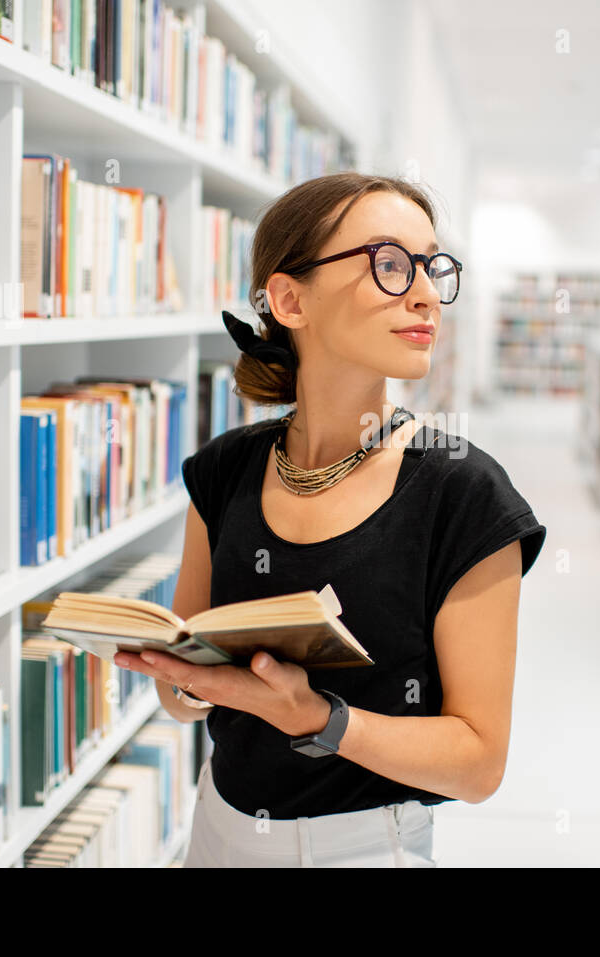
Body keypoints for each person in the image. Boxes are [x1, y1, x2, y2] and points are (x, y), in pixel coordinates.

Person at [115, 171, 546, 867]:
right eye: (389, 263)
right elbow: (183, 692)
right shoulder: (225, 470)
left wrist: (322, 720)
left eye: (432, 266)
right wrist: (187, 681)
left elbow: (478, 761)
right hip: (218, 827)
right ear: (289, 299)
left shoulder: (463, 491)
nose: (426, 292)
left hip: (366, 847)